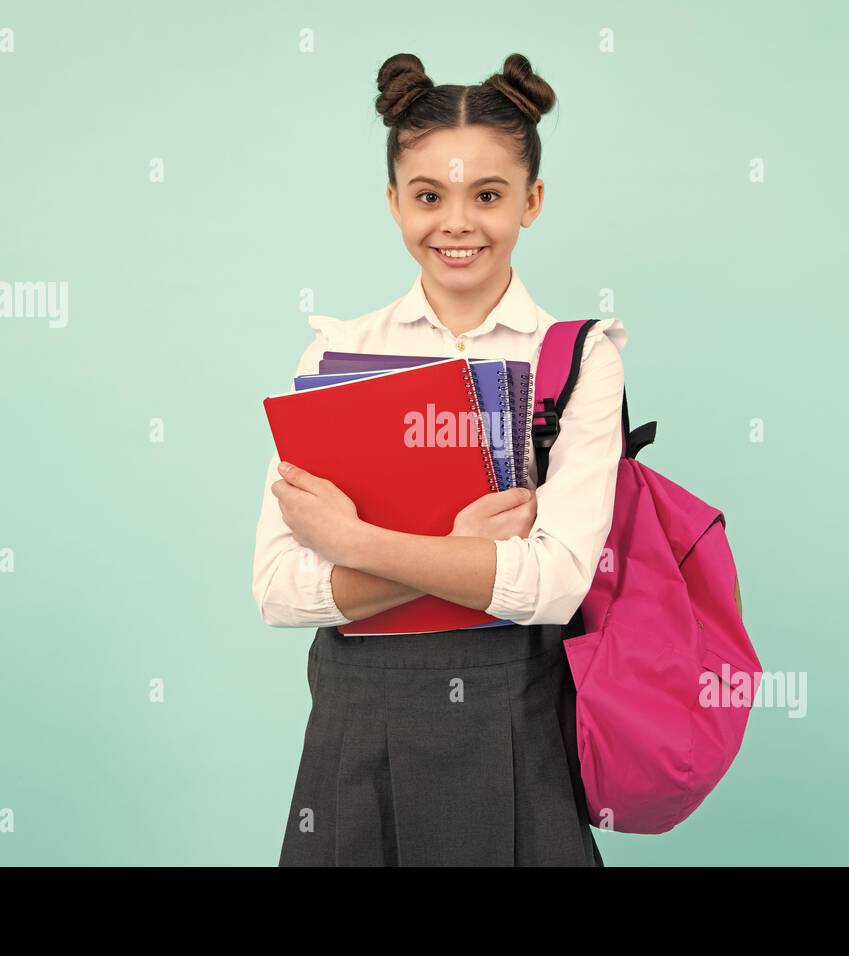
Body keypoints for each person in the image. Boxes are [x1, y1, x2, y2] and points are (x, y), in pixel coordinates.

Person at [252, 52, 626, 866]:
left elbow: (555, 581)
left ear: (530, 202)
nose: (456, 223)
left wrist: (356, 546)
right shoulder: (335, 355)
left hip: (515, 729)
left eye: (487, 195)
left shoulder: (578, 359)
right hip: (357, 737)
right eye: (428, 196)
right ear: (393, 203)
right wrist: (468, 553)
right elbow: (279, 592)